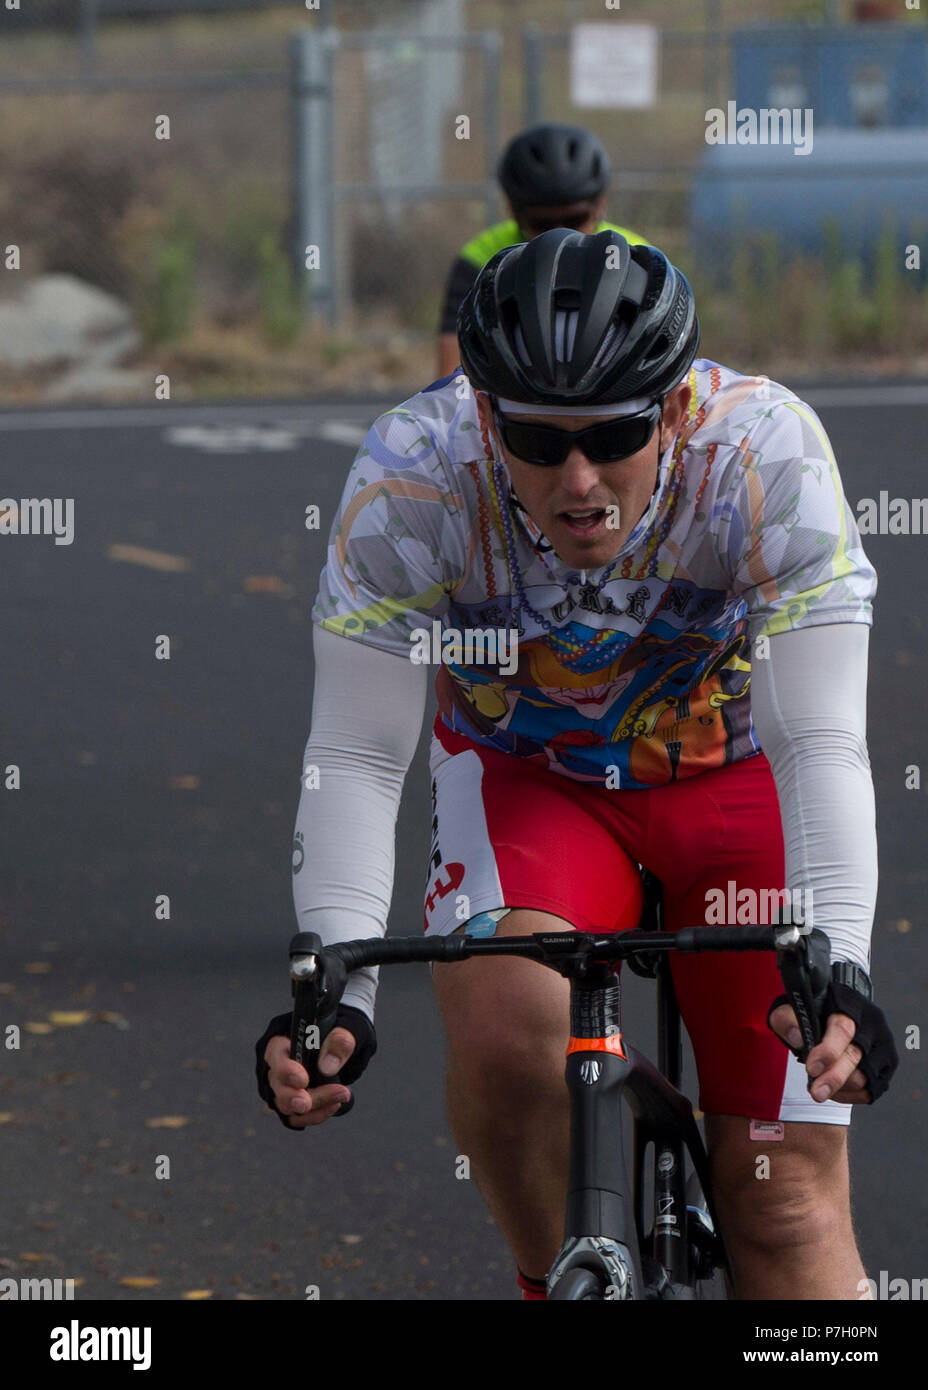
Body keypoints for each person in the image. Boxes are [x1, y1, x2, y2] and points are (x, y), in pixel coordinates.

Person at [256, 228, 898, 1301]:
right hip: (530, 780)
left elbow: (821, 740)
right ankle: (571, 1277)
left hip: (732, 778)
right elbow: (360, 755)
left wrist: (840, 968)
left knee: (783, 1202)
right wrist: (338, 992)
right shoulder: (412, 478)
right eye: (540, 442)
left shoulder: (765, 454)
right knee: (510, 1048)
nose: (581, 478)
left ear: (676, 408)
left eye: (613, 432)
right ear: (482, 416)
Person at [436, 122, 647, 380]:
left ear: (600, 205)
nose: (560, 236)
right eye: (542, 223)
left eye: (575, 219)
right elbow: (451, 375)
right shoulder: (479, 258)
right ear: (513, 212)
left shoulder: (638, 256)